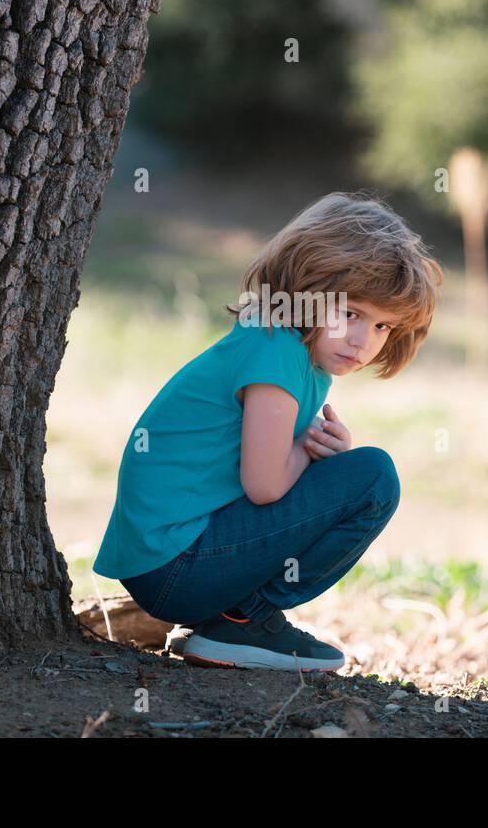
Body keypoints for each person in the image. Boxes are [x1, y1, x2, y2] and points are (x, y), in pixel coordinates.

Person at [91, 191, 443, 670]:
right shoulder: (275, 353)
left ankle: (231, 620)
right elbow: (265, 486)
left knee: (359, 474)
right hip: (175, 566)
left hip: (169, 560)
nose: (364, 341)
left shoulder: (282, 346)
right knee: (374, 478)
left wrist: (315, 455)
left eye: (383, 327)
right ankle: (242, 620)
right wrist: (311, 453)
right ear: (306, 290)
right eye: (351, 314)